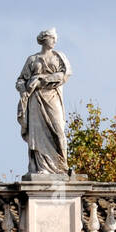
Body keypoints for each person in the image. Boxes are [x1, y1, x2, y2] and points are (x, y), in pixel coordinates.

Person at [16, 28, 72, 176]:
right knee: (38, 133)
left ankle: (62, 165)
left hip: (53, 96)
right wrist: (25, 88)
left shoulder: (59, 57)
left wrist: (41, 79)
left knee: (58, 129)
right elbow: (20, 80)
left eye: (55, 38)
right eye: (52, 38)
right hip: (35, 99)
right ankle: (42, 167)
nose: (55, 41)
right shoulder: (32, 59)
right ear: (44, 39)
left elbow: (65, 74)